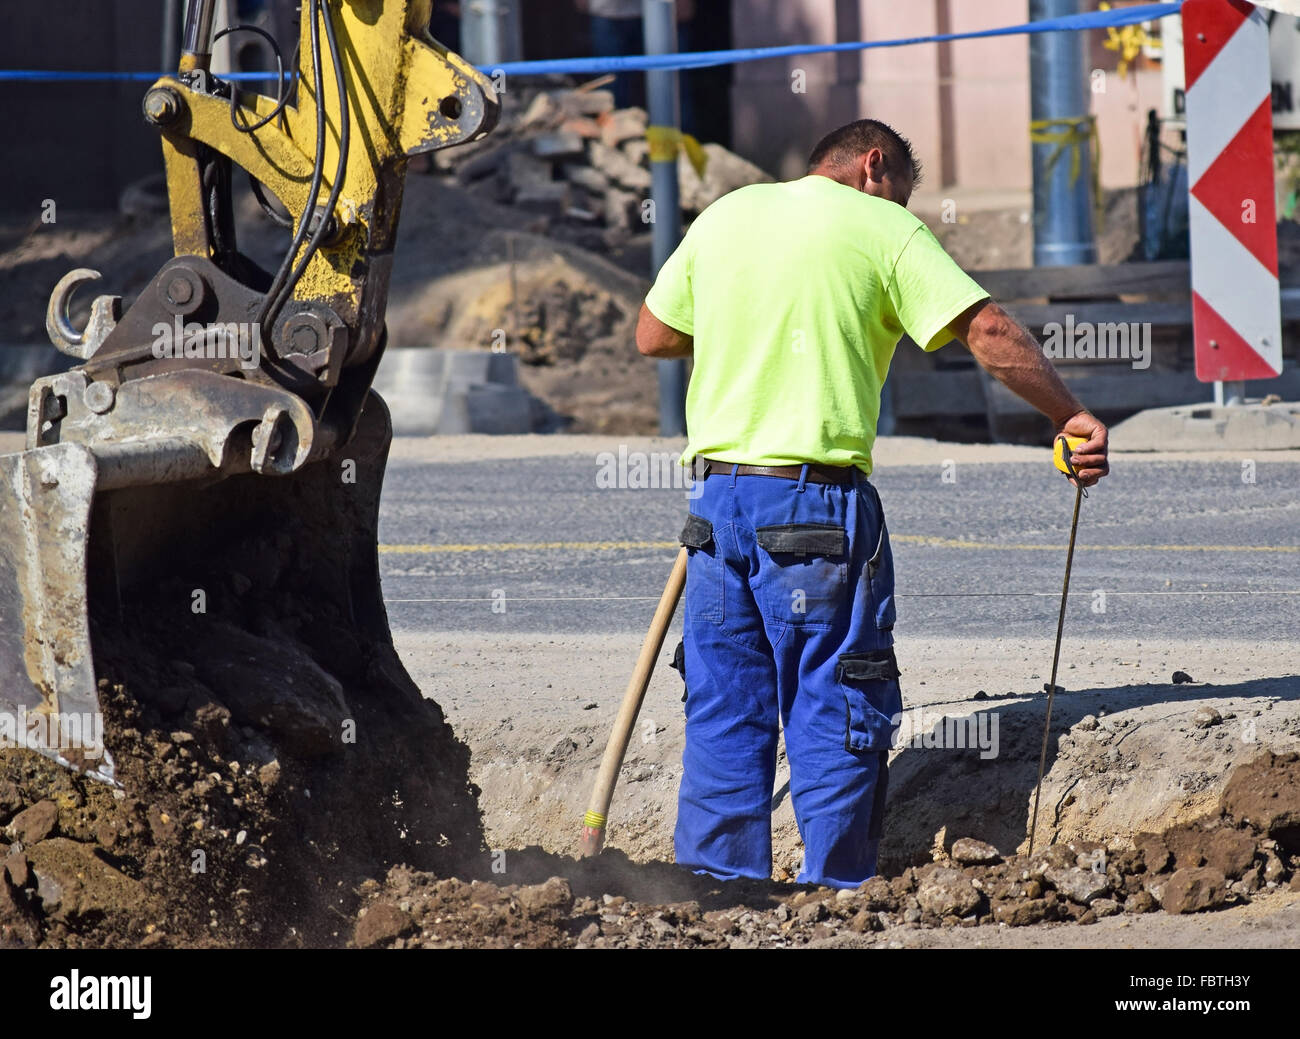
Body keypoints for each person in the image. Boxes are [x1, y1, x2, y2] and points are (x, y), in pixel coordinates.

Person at [635, 118, 1110, 890]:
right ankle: (835, 898)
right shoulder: (881, 224)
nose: (901, 206)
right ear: (873, 165)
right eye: (900, 193)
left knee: (725, 710)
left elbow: (654, 334)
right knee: (835, 701)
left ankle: (719, 895)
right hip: (811, 506)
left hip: (717, 507)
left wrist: (750, 325)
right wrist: (1069, 415)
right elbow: (986, 327)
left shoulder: (727, 214)